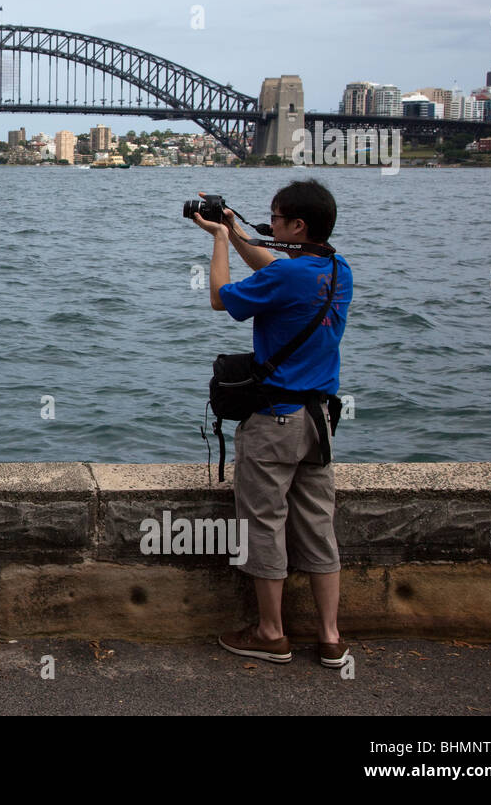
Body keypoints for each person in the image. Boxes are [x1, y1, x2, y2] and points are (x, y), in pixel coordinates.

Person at [192, 179, 353, 669]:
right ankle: (330, 637)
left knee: (263, 523)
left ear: (297, 226)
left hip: (276, 420)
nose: (273, 226)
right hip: (319, 420)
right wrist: (238, 231)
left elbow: (222, 298)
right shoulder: (336, 269)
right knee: (318, 526)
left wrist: (220, 242)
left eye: (277, 219)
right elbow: (276, 267)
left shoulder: (290, 277)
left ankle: (270, 632)